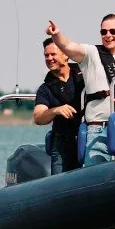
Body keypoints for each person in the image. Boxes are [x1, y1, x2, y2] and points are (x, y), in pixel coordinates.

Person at [46, 14, 115, 166]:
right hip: (98, 130)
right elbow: (68, 46)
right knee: (95, 176)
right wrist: (56, 34)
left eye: (113, 31)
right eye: (103, 32)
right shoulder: (91, 54)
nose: (108, 35)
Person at [33, 38, 84, 174]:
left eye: (53, 54)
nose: (49, 58)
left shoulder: (85, 75)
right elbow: (38, 117)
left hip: (88, 137)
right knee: (58, 183)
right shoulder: (45, 89)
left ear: (66, 55)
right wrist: (56, 110)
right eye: (46, 55)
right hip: (62, 143)